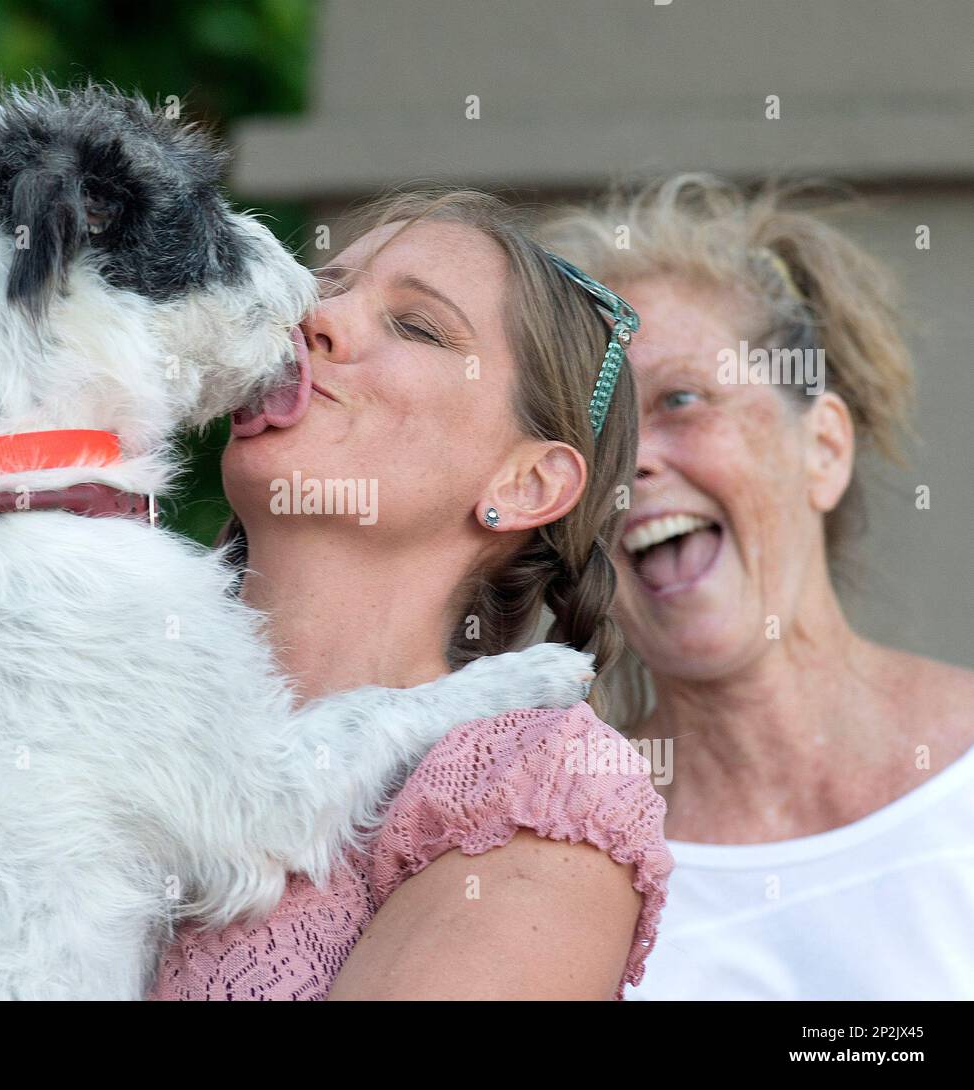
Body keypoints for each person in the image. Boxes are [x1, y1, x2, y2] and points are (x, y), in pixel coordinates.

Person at [148, 188, 671, 1001]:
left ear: (527, 482)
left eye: (417, 325)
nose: (312, 322)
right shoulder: (89, 670)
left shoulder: (531, 788)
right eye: (320, 290)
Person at [543, 174, 974, 999]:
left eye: (682, 399)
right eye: (600, 436)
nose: (633, 460)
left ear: (823, 451)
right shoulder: (551, 845)